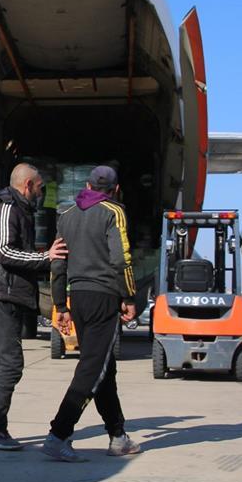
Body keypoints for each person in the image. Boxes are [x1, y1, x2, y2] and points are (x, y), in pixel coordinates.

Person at [44, 165, 141, 461]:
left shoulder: (66, 215)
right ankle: (58, 434)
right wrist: (129, 295)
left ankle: (118, 435)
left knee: (103, 368)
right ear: (115, 189)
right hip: (104, 296)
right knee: (91, 369)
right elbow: (120, 258)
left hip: (78, 297)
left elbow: (57, 263)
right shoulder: (114, 212)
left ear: (87, 184)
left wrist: (59, 304)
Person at [0, 162, 68, 450]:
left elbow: (14, 251)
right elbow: (3, 251)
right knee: (11, 364)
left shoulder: (18, 209)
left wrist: (39, 256)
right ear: (27, 186)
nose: (41, 194)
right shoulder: (6, 207)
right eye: (40, 188)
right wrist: (45, 258)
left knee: (4, 364)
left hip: (8, 294)